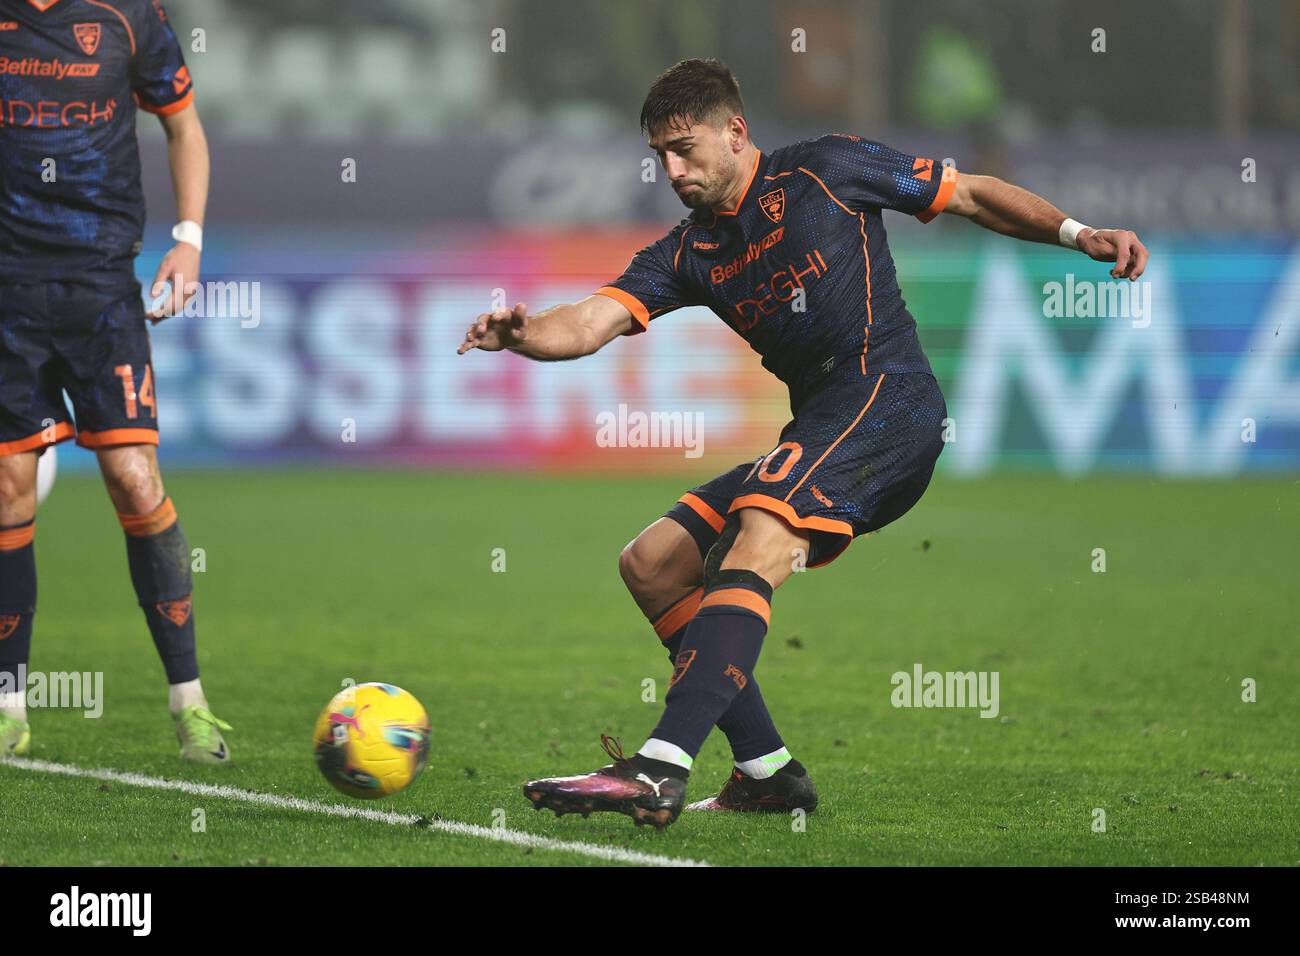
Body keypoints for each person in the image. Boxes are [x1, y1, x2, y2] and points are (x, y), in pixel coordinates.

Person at [457, 58, 1148, 828]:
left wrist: (1080, 233)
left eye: (686, 148)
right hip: (821, 425)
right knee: (652, 565)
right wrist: (522, 335)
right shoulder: (687, 254)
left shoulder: (826, 169)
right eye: (660, 157)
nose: (673, 169)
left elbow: (972, 194)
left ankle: (661, 765)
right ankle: (768, 774)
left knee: (761, 532)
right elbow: (589, 322)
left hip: (891, 401)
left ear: (736, 133)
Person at [0, 0, 230, 763]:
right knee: (8, 486)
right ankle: (7, 704)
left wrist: (189, 240)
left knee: (134, 478)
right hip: (6, 286)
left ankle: (189, 702)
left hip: (100, 281)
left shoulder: (129, 15)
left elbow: (184, 124)